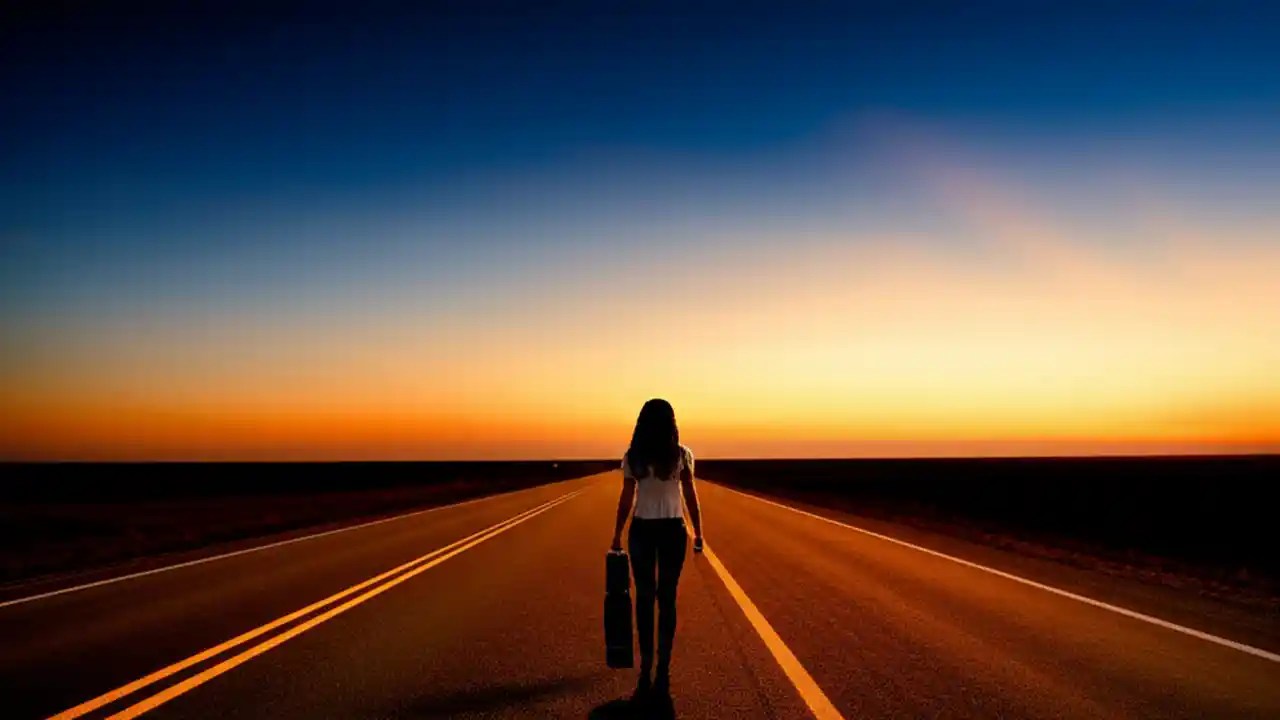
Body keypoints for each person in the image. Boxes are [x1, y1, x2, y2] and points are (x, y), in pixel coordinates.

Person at [610, 398, 704, 704]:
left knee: (646, 600)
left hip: (642, 531)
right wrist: (699, 533)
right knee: (667, 599)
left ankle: (648, 667)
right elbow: (690, 497)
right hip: (672, 531)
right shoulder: (682, 455)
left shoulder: (634, 456)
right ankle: (662, 668)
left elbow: (627, 498)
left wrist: (617, 534)